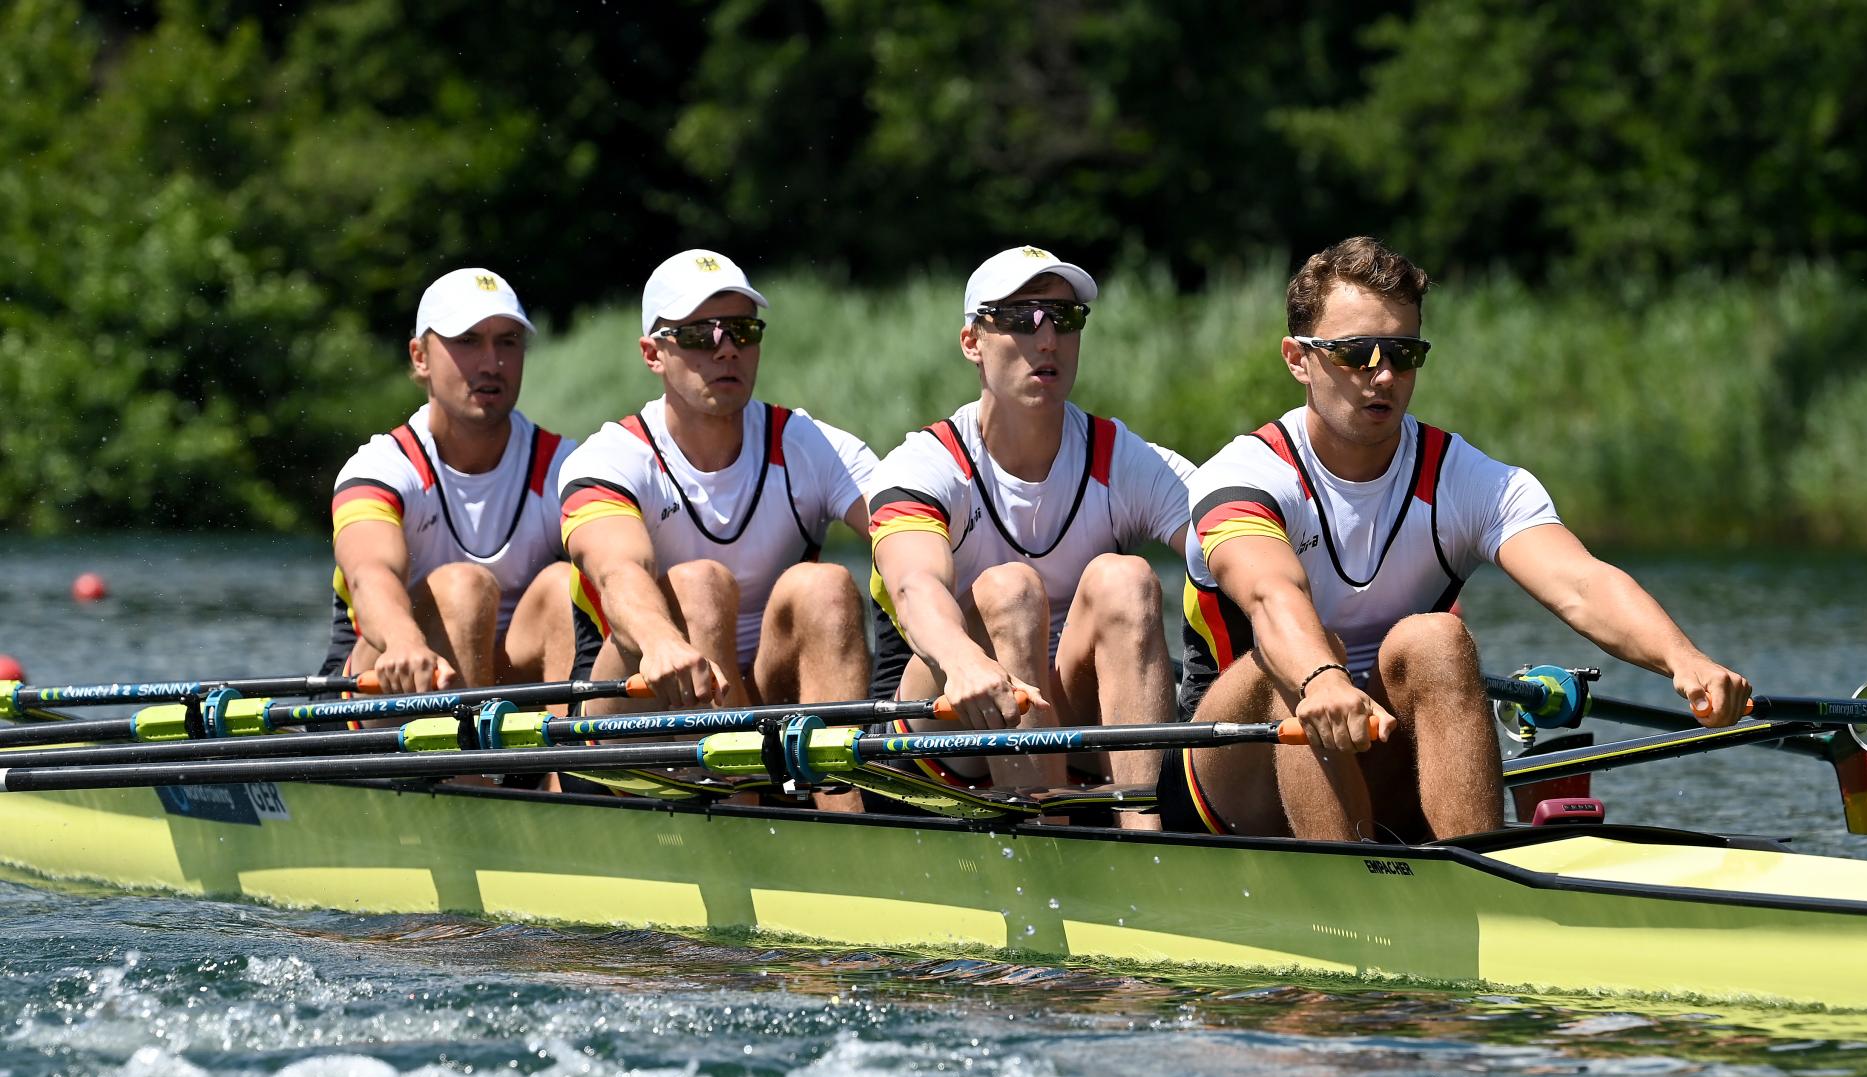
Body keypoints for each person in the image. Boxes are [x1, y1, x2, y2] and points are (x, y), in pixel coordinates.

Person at [1163, 236, 1749, 841]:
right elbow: (1269, 595)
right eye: (1354, 353)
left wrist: (1685, 659)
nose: (1383, 374)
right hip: (1233, 772)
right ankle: (1341, 895)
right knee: (1307, 652)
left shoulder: (1460, 477)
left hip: (1381, 753)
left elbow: (1580, 582)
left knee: (1438, 637)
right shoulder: (1243, 475)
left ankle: (1476, 877)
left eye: (1403, 352)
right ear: (1297, 358)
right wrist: (1321, 679)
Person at [867, 245, 1193, 825]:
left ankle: (1148, 840)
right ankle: (1042, 836)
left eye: (1064, 320)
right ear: (973, 342)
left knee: (1126, 577)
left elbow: (1235, 546)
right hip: (946, 714)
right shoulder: (925, 464)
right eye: (1021, 320)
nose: (1047, 341)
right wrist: (964, 659)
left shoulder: (1122, 457)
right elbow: (915, 587)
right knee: (1011, 589)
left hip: (1068, 712)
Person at [558, 249, 876, 806]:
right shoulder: (608, 459)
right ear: (652, 353)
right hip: (627, 714)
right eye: (701, 334)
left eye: (742, 331)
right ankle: (734, 818)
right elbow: (617, 571)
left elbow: (909, 538)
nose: (727, 348)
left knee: (827, 585)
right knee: (700, 582)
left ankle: (844, 821)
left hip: (767, 702)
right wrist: (658, 641)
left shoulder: (810, 445)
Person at [325, 268, 576, 693]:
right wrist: (404, 640)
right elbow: (371, 575)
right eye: (468, 341)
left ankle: (564, 755)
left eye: (508, 342)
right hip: (382, 681)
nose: (492, 363)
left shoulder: (566, 466)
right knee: (465, 588)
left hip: (506, 679)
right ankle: (475, 759)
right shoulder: (381, 469)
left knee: (563, 587)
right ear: (420, 357)